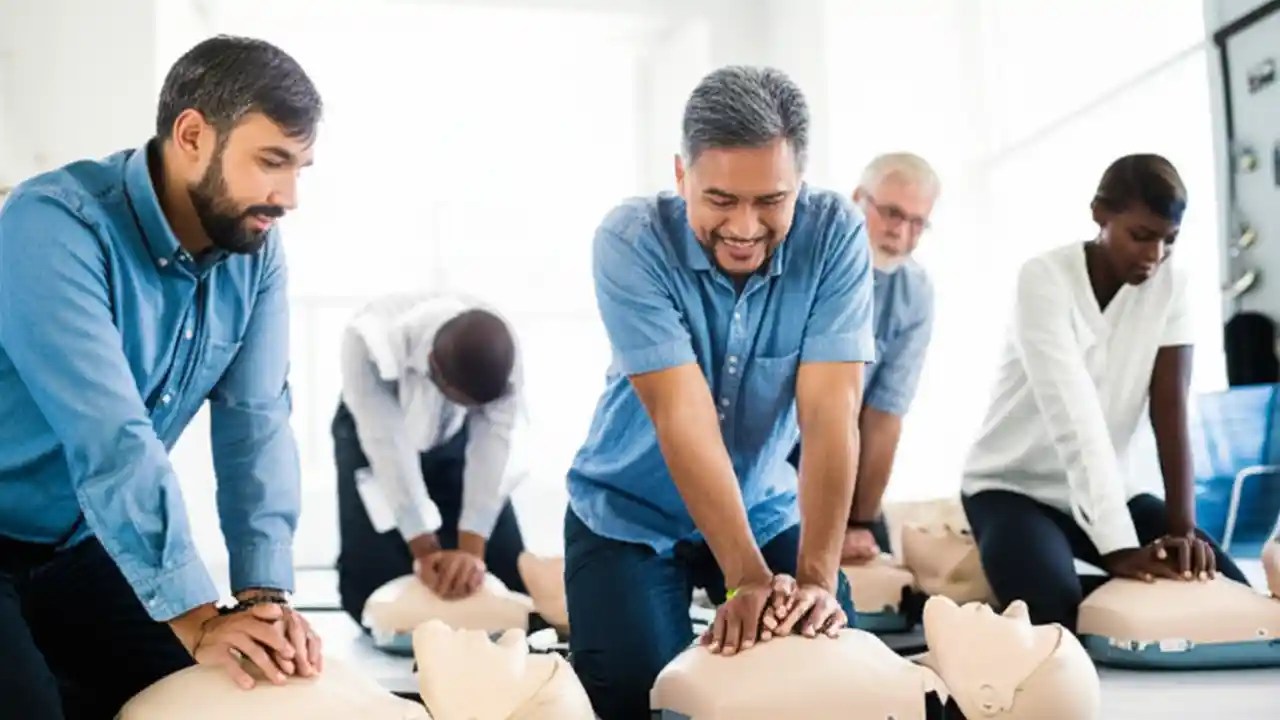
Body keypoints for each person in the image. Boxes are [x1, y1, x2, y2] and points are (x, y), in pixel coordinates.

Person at [0, 35, 324, 718]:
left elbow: (256, 421)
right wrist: (198, 616)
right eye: (272, 162)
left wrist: (263, 597)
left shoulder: (254, 251)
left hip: (83, 544)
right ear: (192, 135)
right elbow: (112, 438)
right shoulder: (52, 224)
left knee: (226, 695)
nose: (288, 195)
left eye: (301, 168)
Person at [564, 65, 876, 719]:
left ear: (800, 185)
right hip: (630, 511)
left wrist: (815, 579)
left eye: (770, 201)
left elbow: (830, 412)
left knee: (831, 669)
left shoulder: (836, 234)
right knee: (641, 695)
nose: (745, 226)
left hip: (763, 502)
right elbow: (682, 416)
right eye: (721, 200)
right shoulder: (630, 240)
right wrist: (748, 579)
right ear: (682, 178)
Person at [961, 153, 1249, 632]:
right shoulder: (1043, 279)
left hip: (1112, 486)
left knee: (1225, 585)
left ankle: (1115, 592)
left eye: (1168, 241)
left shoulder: (1171, 286)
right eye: (1141, 236)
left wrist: (1181, 529)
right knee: (1052, 603)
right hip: (1012, 487)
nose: (1154, 256)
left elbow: (1170, 412)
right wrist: (1117, 549)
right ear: (1100, 214)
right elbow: (1074, 415)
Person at [334, 294, 528, 625]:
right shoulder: (367, 341)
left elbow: (493, 441)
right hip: (372, 436)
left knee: (508, 581)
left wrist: (472, 551)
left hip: (454, 435)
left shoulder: (500, 347)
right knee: (370, 597)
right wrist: (424, 549)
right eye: (466, 401)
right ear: (432, 367)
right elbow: (386, 443)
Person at [789, 152, 939, 564]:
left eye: (916, 223)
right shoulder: (802, 257)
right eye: (891, 213)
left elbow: (884, 414)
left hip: (840, 449)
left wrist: (858, 521)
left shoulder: (915, 294)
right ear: (858, 198)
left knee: (883, 566)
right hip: (771, 445)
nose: (901, 233)